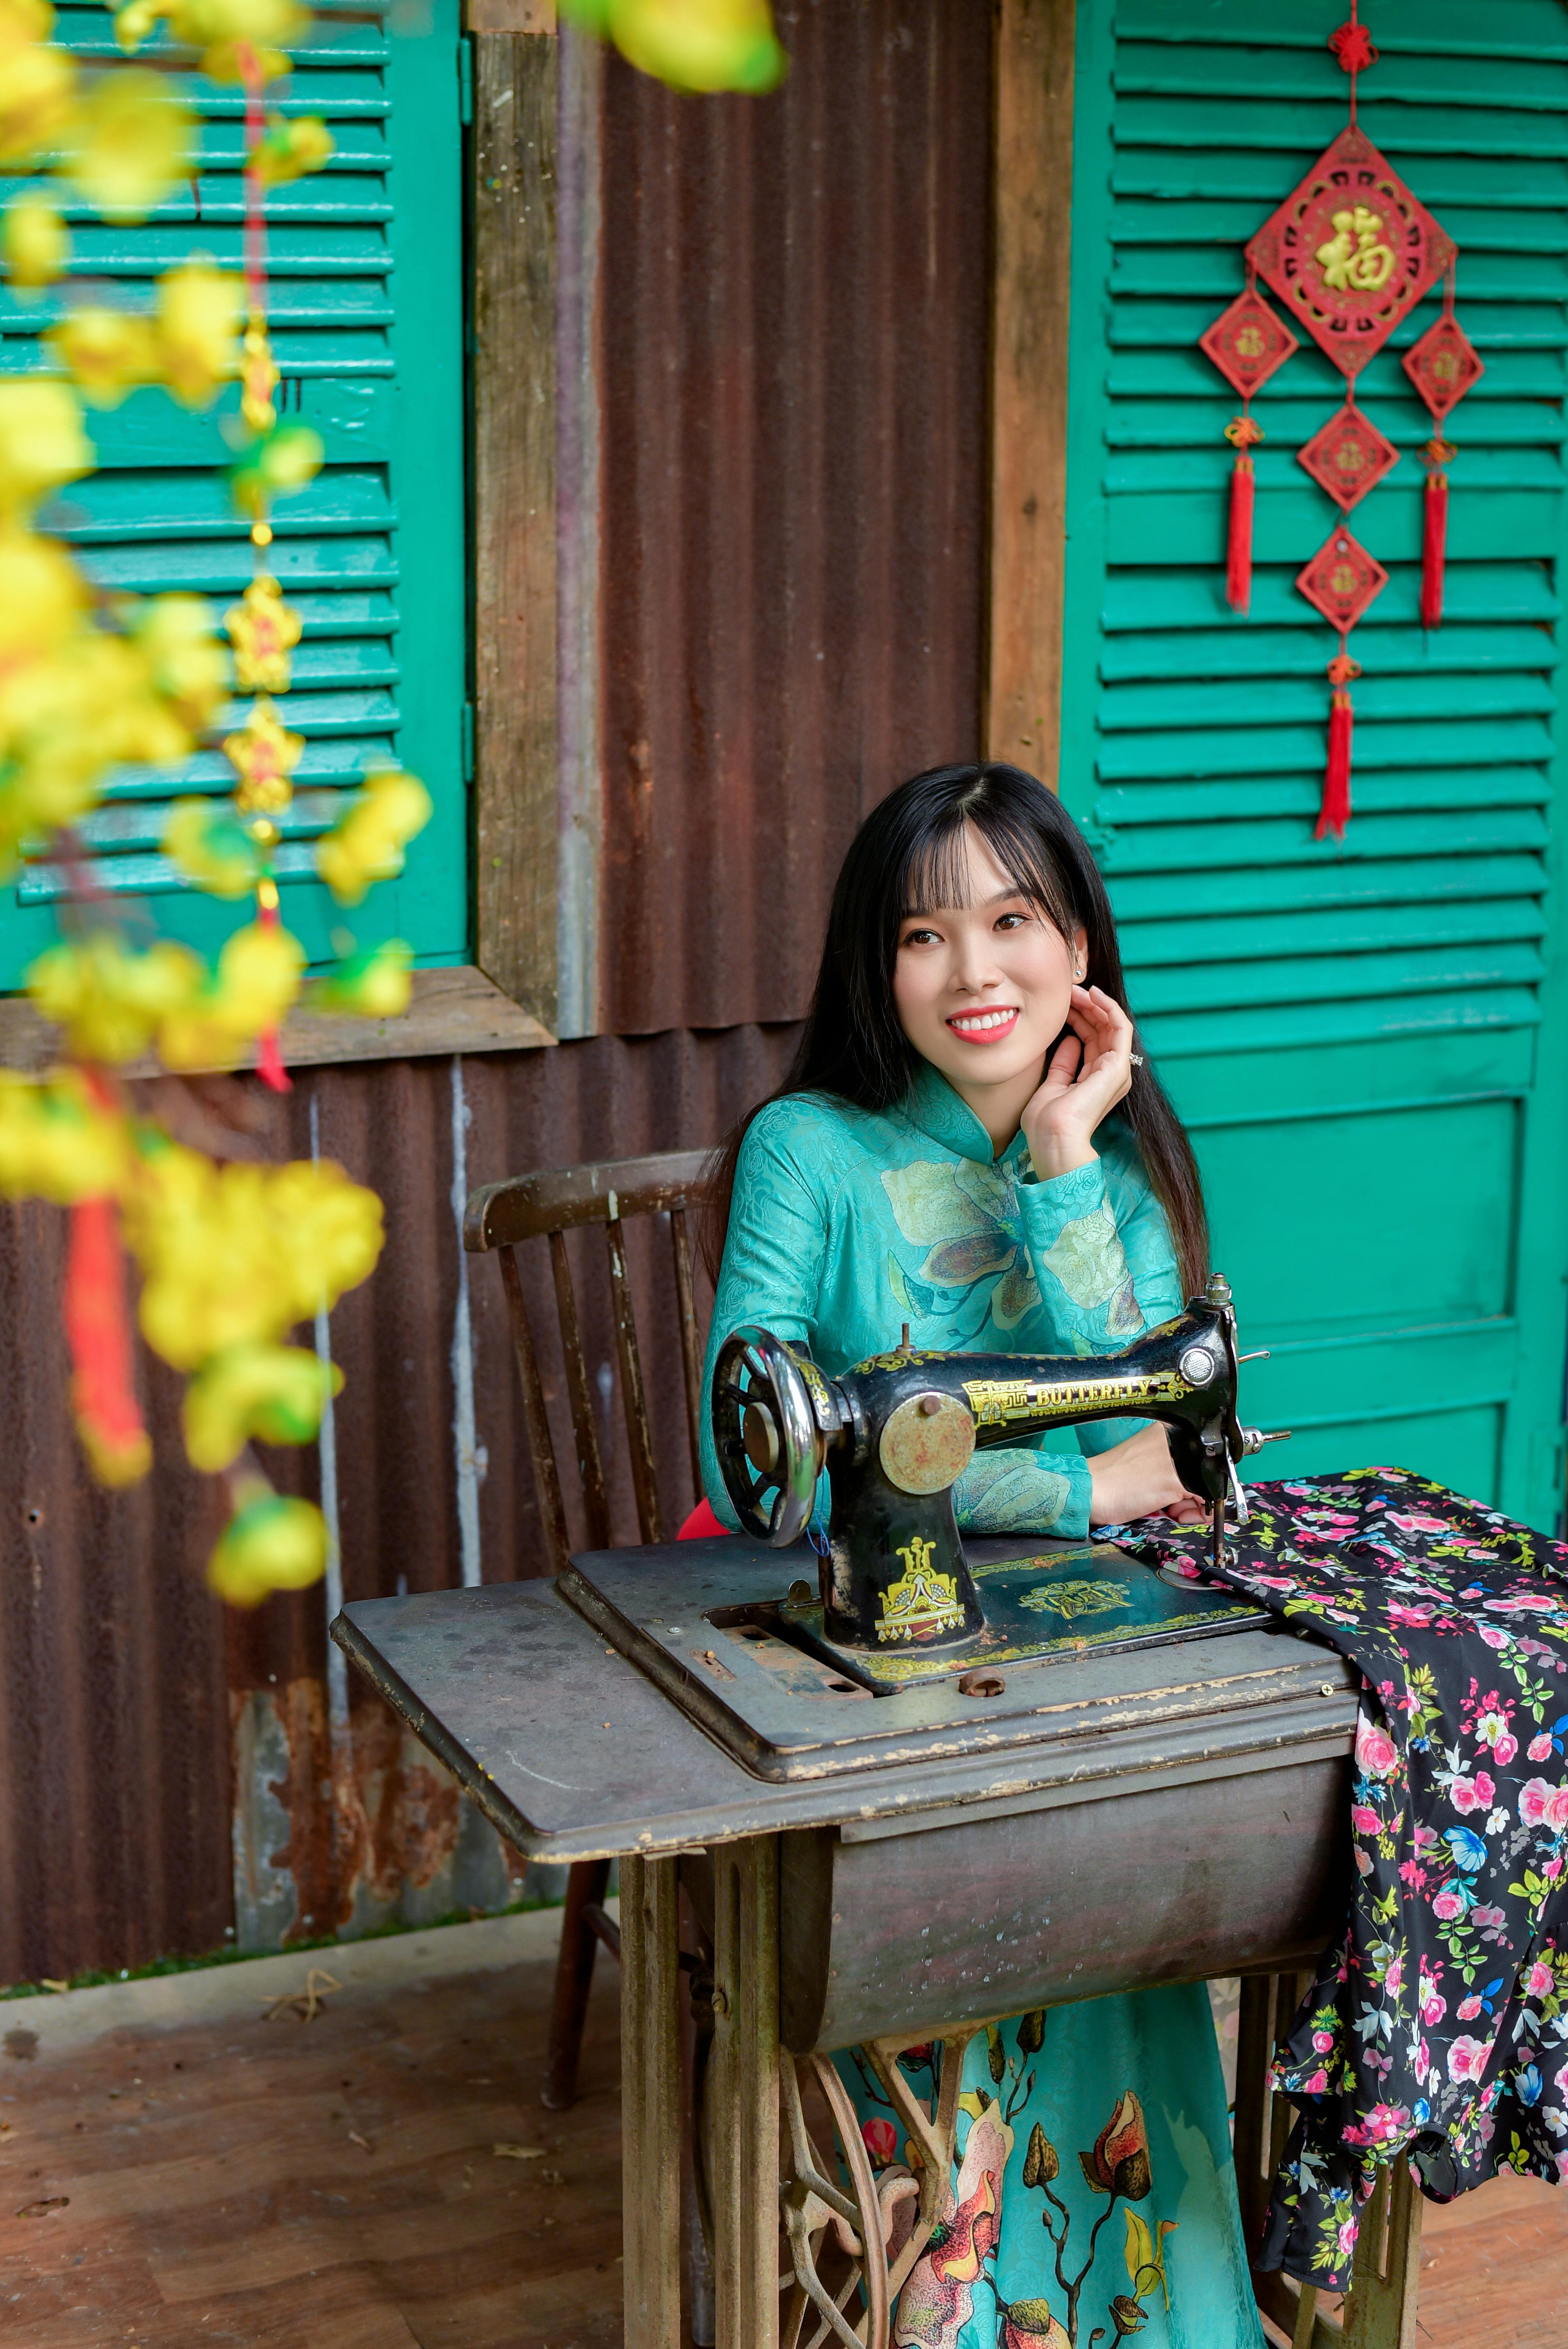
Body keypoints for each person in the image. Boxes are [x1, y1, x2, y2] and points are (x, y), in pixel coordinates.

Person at [695, 764, 1264, 2349]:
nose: (972, 972)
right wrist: (1082, 1497)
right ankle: (903, 2304)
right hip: (859, 1635)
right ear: (871, 968)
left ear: (1078, 943)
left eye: (1013, 920)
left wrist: (1064, 1155)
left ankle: (1113, 2310)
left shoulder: (1119, 1166)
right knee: (942, 1882)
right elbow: (760, 1458)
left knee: (1118, 1871)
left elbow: (1141, 1377)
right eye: (921, 934)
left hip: (1070, 1638)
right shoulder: (809, 1153)